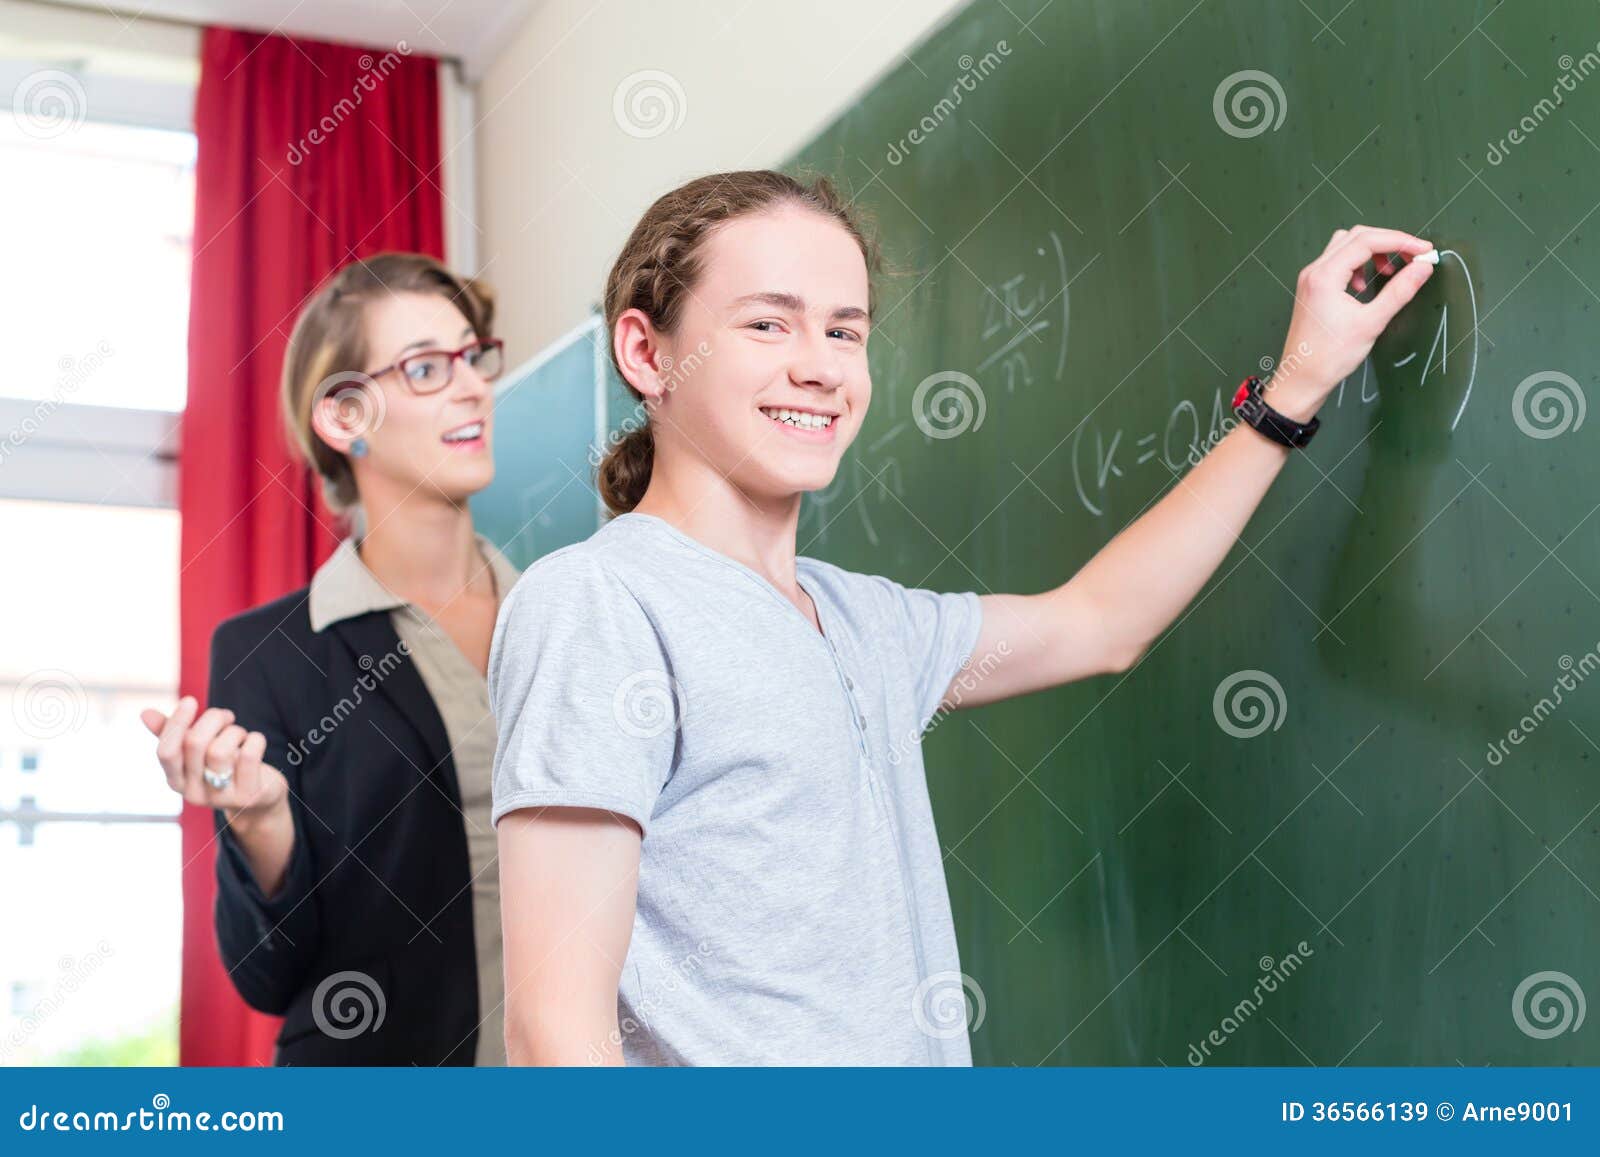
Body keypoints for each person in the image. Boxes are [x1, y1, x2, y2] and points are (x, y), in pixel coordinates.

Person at [489, 170, 1435, 1065]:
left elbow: (1101, 621)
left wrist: (1295, 389)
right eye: (768, 323)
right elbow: (555, 1030)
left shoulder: (864, 622)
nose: (818, 368)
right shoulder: (600, 604)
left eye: (845, 332)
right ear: (646, 352)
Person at [141, 252, 518, 1064]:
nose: (471, 386)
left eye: (471, 355)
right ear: (345, 416)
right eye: (425, 368)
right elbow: (265, 976)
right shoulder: (267, 654)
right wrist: (258, 818)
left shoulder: (568, 617)